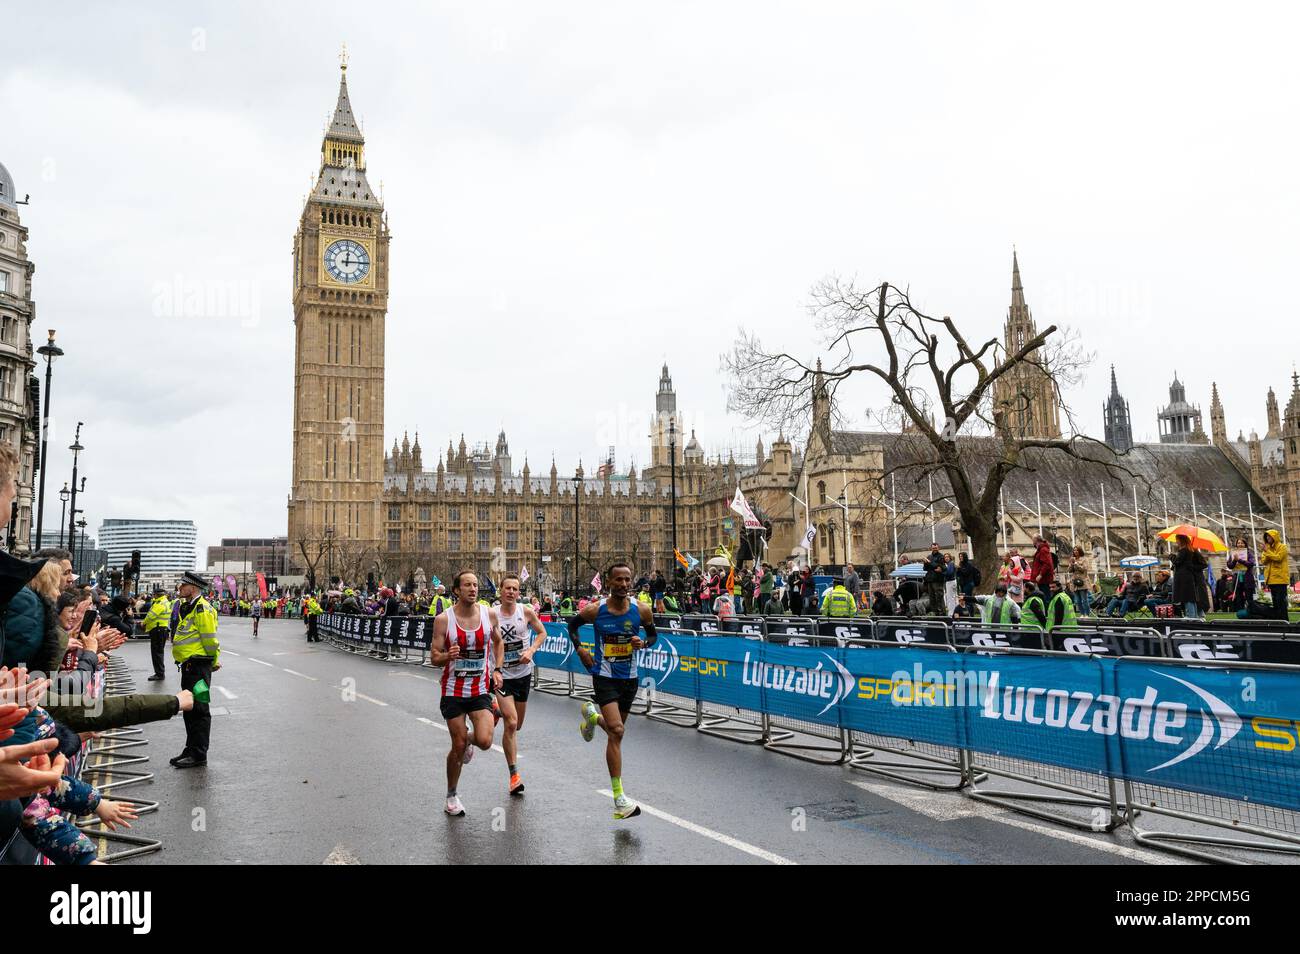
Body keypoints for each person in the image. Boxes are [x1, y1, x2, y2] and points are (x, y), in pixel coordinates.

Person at [570, 562, 656, 820]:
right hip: (604, 676)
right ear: (609, 582)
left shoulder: (642, 610)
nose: (623, 584)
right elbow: (571, 626)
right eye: (618, 580)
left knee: (615, 733)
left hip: (629, 678)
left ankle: (593, 718)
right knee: (617, 730)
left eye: (627, 580)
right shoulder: (596, 611)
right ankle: (619, 799)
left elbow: (653, 636)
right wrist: (581, 649)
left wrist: (644, 643)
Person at [430, 570, 503, 817]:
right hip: (452, 691)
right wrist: (446, 656)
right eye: (467, 585)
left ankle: (471, 740)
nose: (473, 589)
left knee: (484, 741)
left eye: (475, 585)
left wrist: (498, 669)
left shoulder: (488, 614)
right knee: (458, 744)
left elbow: (498, 642)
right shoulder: (443, 620)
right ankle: (451, 795)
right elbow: (434, 658)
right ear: (457, 591)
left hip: (479, 689)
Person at [493, 574, 547, 797]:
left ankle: (496, 709)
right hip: (502, 675)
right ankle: (514, 775)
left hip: (523, 673)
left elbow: (542, 632)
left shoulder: (525, 611)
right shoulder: (491, 614)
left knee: (518, 725)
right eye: (508, 588)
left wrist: (531, 650)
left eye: (515, 589)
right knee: (511, 723)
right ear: (501, 590)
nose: (511, 592)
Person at [169, 571, 221, 769]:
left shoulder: (202, 609)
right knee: (189, 709)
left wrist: (213, 661)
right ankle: (190, 748)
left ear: (193, 588)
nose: (180, 588)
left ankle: (199, 754)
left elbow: (210, 639)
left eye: (183, 585)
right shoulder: (188, 606)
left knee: (199, 710)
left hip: (199, 666)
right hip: (189, 666)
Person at [1171, 535, 1209, 620]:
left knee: (1189, 596)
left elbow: (1203, 564)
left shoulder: (1188, 550)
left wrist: (1192, 567)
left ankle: (1193, 616)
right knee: (1192, 597)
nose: (1176, 542)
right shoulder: (1187, 550)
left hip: (1192, 577)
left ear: (1182, 540)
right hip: (1189, 576)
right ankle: (1196, 616)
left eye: (1177, 540)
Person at [143, 588, 174, 681]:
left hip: (157, 630)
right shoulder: (165, 602)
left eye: (154, 594)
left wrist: (143, 623)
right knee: (159, 652)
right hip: (161, 629)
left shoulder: (160, 603)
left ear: (156, 595)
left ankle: (159, 674)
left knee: (157, 653)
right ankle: (160, 673)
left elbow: (151, 615)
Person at [1261, 529, 1291, 621]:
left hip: (1280, 579)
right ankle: (1278, 621)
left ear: (1275, 537)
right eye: (1266, 536)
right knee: (1275, 603)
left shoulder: (1283, 547)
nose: (1267, 538)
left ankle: (1285, 621)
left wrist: (1267, 552)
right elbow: (1263, 561)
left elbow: (1278, 558)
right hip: (1271, 579)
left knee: (1281, 602)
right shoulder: (1267, 548)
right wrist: (1267, 551)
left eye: (1269, 536)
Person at [1226, 536, 1257, 613]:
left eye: (1242, 543)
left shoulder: (1249, 554)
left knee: (1249, 598)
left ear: (1245, 544)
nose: (1240, 544)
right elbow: (1229, 565)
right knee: (1239, 598)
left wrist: (1239, 560)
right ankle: (1240, 613)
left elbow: (1251, 564)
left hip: (1247, 578)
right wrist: (1234, 561)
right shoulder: (1233, 553)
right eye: (1238, 543)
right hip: (1237, 578)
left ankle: (1251, 613)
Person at [923, 544, 946, 614]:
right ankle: (935, 612)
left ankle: (942, 612)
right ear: (931, 548)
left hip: (938, 580)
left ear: (938, 548)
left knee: (939, 597)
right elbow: (925, 569)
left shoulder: (941, 556)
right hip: (930, 580)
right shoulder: (929, 556)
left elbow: (940, 566)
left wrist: (930, 563)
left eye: (936, 548)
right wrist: (925, 563)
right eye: (933, 548)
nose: (934, 549)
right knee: (932, 598)